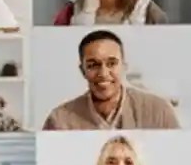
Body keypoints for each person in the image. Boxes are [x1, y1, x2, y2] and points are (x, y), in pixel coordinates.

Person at [42, 29, 180, 130]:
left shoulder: (158, 112)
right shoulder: (60, 120)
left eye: (112, 63)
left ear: (124, 67)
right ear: (82, 70)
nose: (103, 73)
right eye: (92, 65)